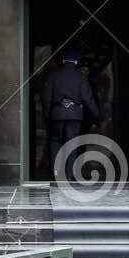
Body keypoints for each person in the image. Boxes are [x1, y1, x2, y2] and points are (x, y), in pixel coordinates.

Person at [40, 50, 99, 180]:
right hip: (74, 114)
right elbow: (88, 98)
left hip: (57, 113)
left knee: (55, 142)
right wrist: (96, 114)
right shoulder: (81, 77)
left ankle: (57, 174)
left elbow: (46, 97)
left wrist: (47, 113)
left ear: (63, 61)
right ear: (76, 62)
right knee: (72, 143)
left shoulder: (54, 75)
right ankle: (69, 175)